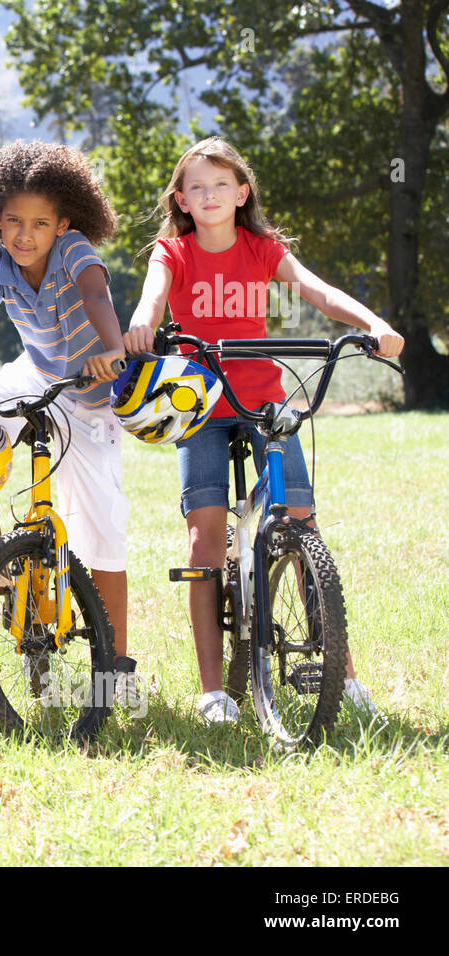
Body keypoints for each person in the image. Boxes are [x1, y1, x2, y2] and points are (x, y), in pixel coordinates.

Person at [123, 136, 404, 724]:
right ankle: (212, 692)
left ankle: (343, 673)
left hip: (263, 402)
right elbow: (151, 302)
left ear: (242, 192)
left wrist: (373, 323)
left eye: (220, 184)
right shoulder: (172, 253)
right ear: (181, 198)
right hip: (196, 405)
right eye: (196, 186)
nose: (209, 194)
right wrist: (143, 326)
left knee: (301, 529)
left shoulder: (264, 249)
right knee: (204, 541)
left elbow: (318, 292)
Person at [0, 140, 136, 708]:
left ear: (63, 224)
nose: (24, 235)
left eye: (39, 224)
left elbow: (98, 297)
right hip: (37, 373)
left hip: (92, 396)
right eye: (13, 222)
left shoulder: (75, 251)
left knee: (102, 539)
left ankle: (115, 668)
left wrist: (112, 349)